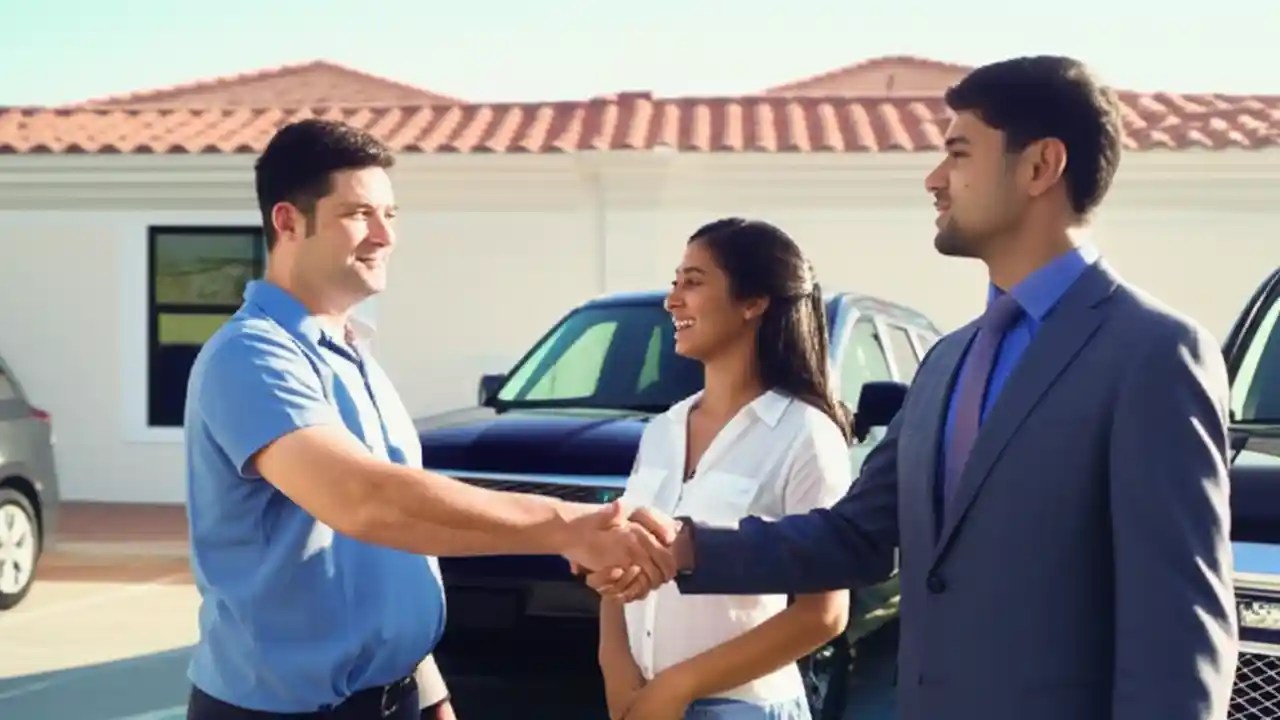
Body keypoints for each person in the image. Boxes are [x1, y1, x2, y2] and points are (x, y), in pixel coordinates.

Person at [583, 55, 1238, 720]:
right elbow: (853, 537)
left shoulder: (1153, 354)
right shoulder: (947, 363)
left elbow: (1178, 628)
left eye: (958, 153)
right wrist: (689, 548)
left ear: (1041, 166)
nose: (934, 179)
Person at [182, 118, 676, 719]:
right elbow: (363, 500)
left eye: (392, 214)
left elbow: (399, 542)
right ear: (288, 221)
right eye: (358, 214)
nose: (384, 235)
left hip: (397, 700)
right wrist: (565, 525)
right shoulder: (251, 355)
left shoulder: (355, 354)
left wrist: (429, 688)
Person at [596, 219, 854, 720]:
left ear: (753, 302)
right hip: (639, 702)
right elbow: (621, 561)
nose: (672, 300)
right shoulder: (663, 430)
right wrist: (617, 670)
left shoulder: (807, 435)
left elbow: (823, 613)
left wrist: (677, 687)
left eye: (693, 282)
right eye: (675, 282)